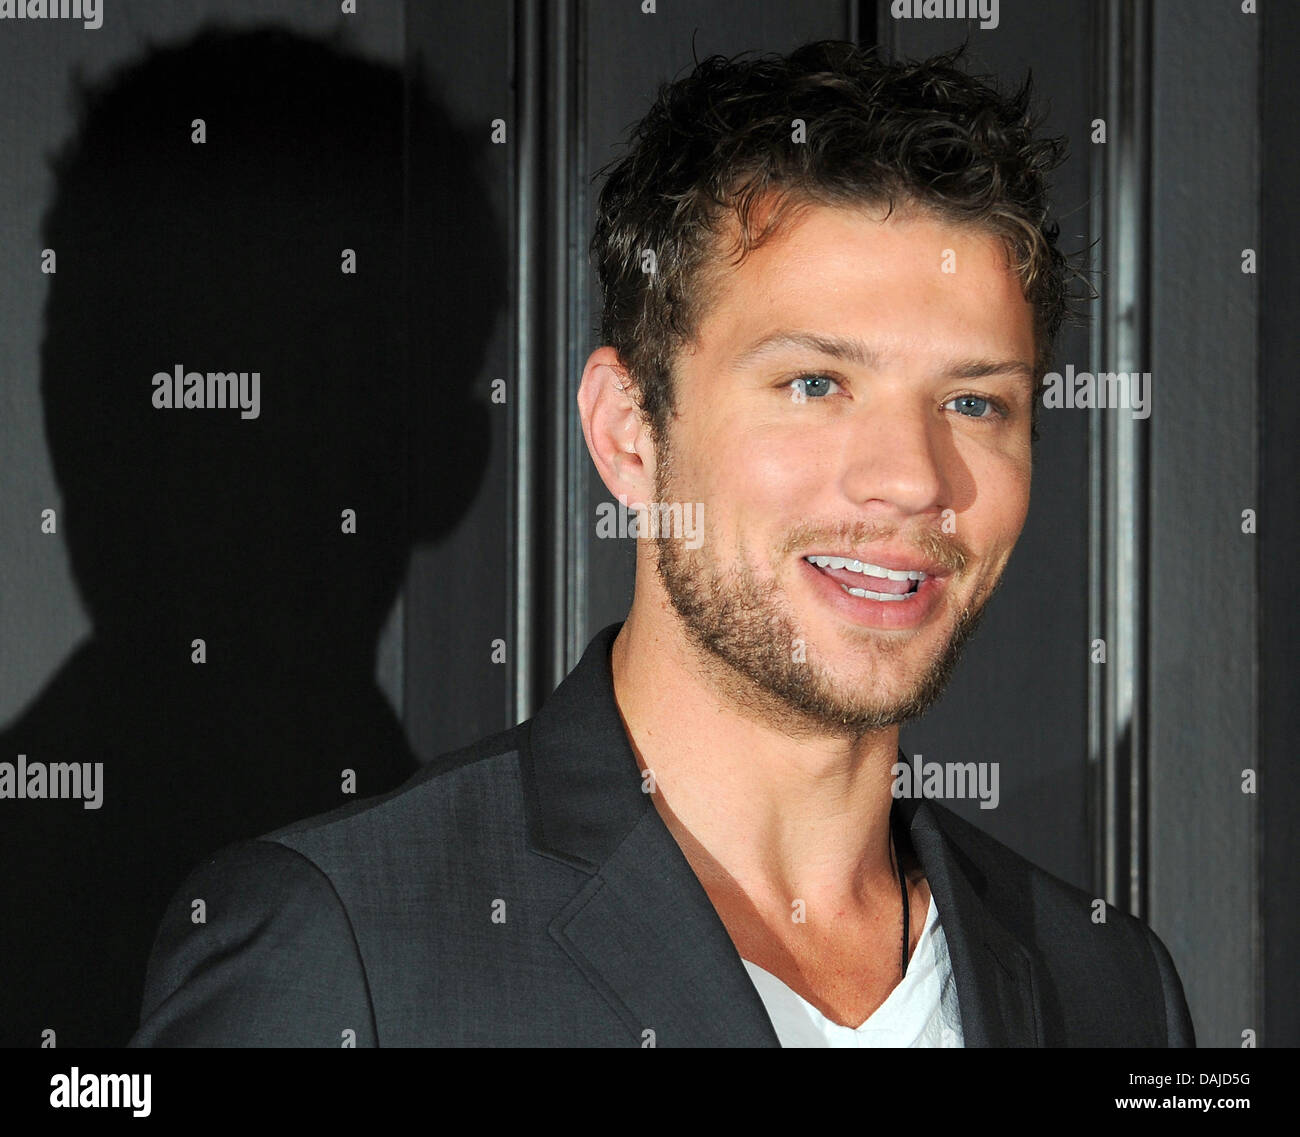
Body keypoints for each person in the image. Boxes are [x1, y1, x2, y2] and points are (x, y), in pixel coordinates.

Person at [130, 41, 1194, 1048]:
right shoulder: (345, 945)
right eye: (814, 385)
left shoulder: (1107, 985)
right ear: (628, 434)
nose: (912, 477)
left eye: (972, 402)